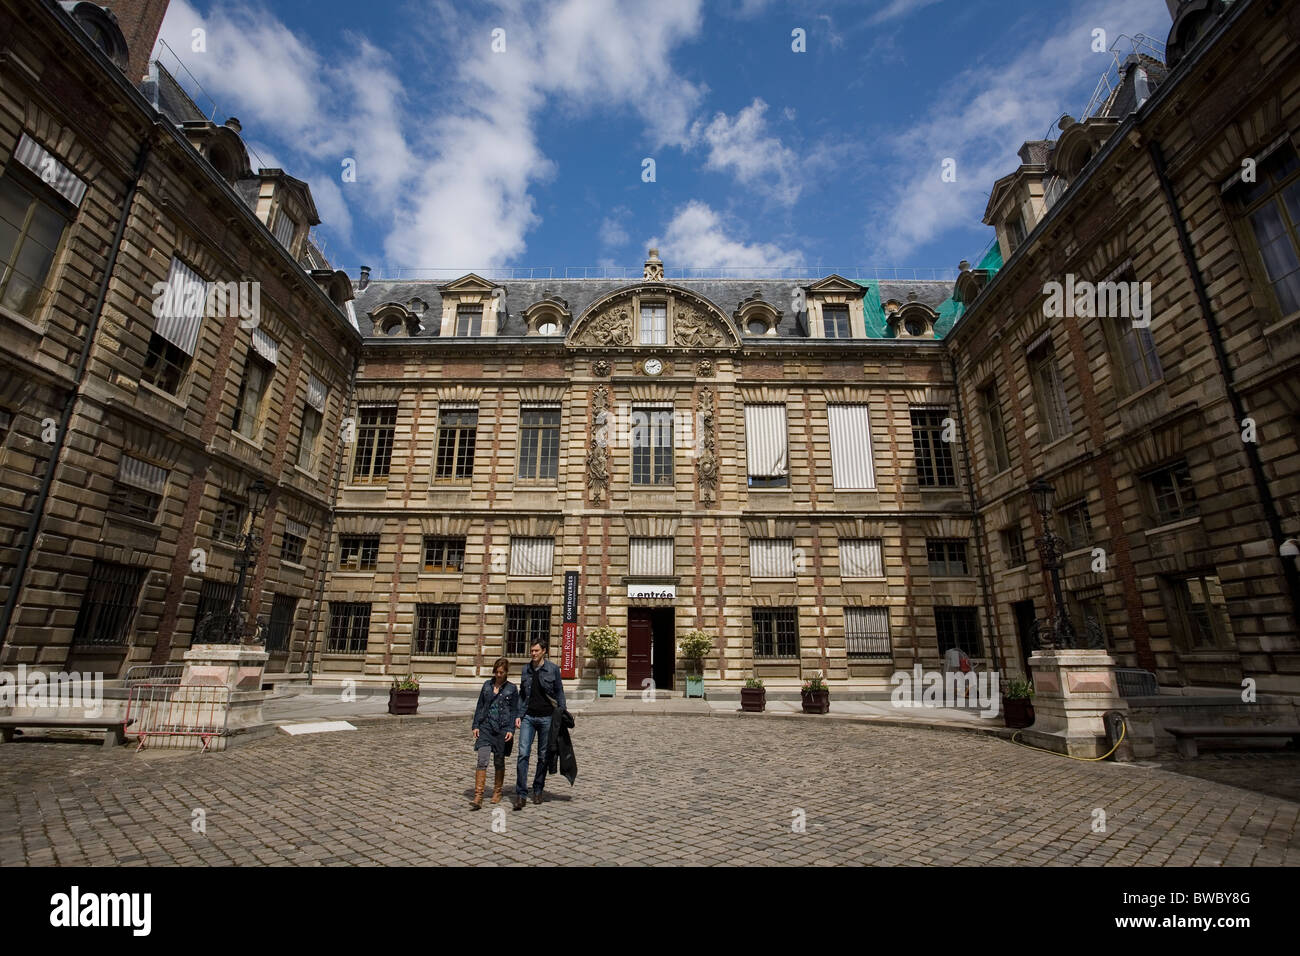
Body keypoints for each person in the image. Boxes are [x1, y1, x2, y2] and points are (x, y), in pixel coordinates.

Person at [514, 638, 566, 810]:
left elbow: (559, 691)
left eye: (536, 651)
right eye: (532, 651)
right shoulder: (526, 669)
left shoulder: (553, 669)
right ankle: (521, 794)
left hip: (547, 718)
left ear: (544, 651)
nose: (533, 654)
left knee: (543, 756)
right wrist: (518, 714)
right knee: (523, 754)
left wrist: (561, 713)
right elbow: (523, 694)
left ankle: (537, 790)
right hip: (528, 717)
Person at [470, 657, 517, 810]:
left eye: (501, 672)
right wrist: (475, 725)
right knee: (482, 759)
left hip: (502, 729)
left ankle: (497, 791)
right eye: (496, 672)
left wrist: (511, 729)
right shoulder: (487, 686)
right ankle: (478, 795)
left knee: (499, 760)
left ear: (506, 673)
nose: (498, 675)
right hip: (486, 727)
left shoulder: (512, 689)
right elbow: (480, 705)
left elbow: (514, 711)